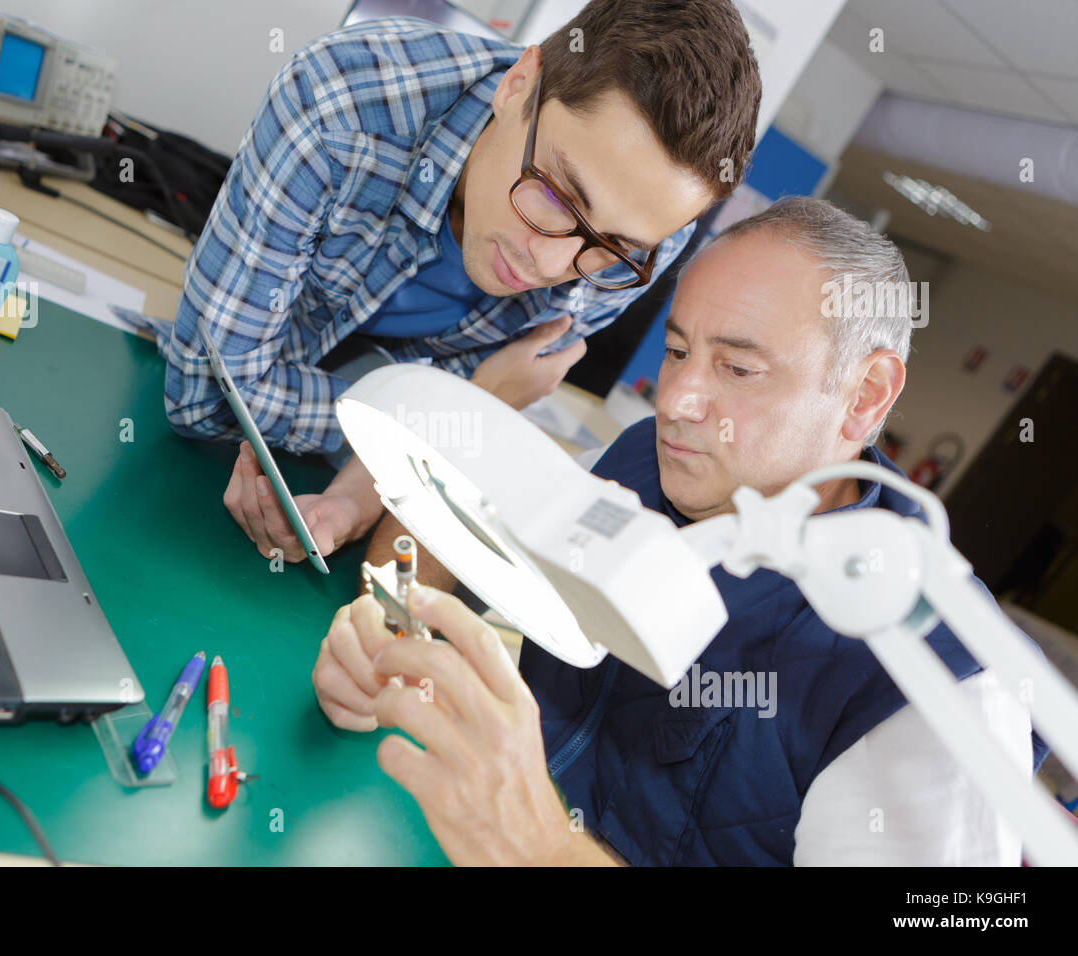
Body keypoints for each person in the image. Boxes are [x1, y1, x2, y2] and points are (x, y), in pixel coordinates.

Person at [311, 197, 1047, 865]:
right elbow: (464, 520)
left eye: (737, 368)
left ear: (865, 395)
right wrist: (391, 627)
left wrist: (541, 846)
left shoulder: (941, 692)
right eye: (678, 351)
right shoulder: (640, 464)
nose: (679, 402)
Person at [159, 0, 761, 563]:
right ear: (518, 85)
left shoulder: (644, 241)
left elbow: (449, 400)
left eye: (610, 247)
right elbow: (204, 396)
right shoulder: (339, 104)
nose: (550, 267)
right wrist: (475, 402)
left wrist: (356, 493)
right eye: (556, 194)